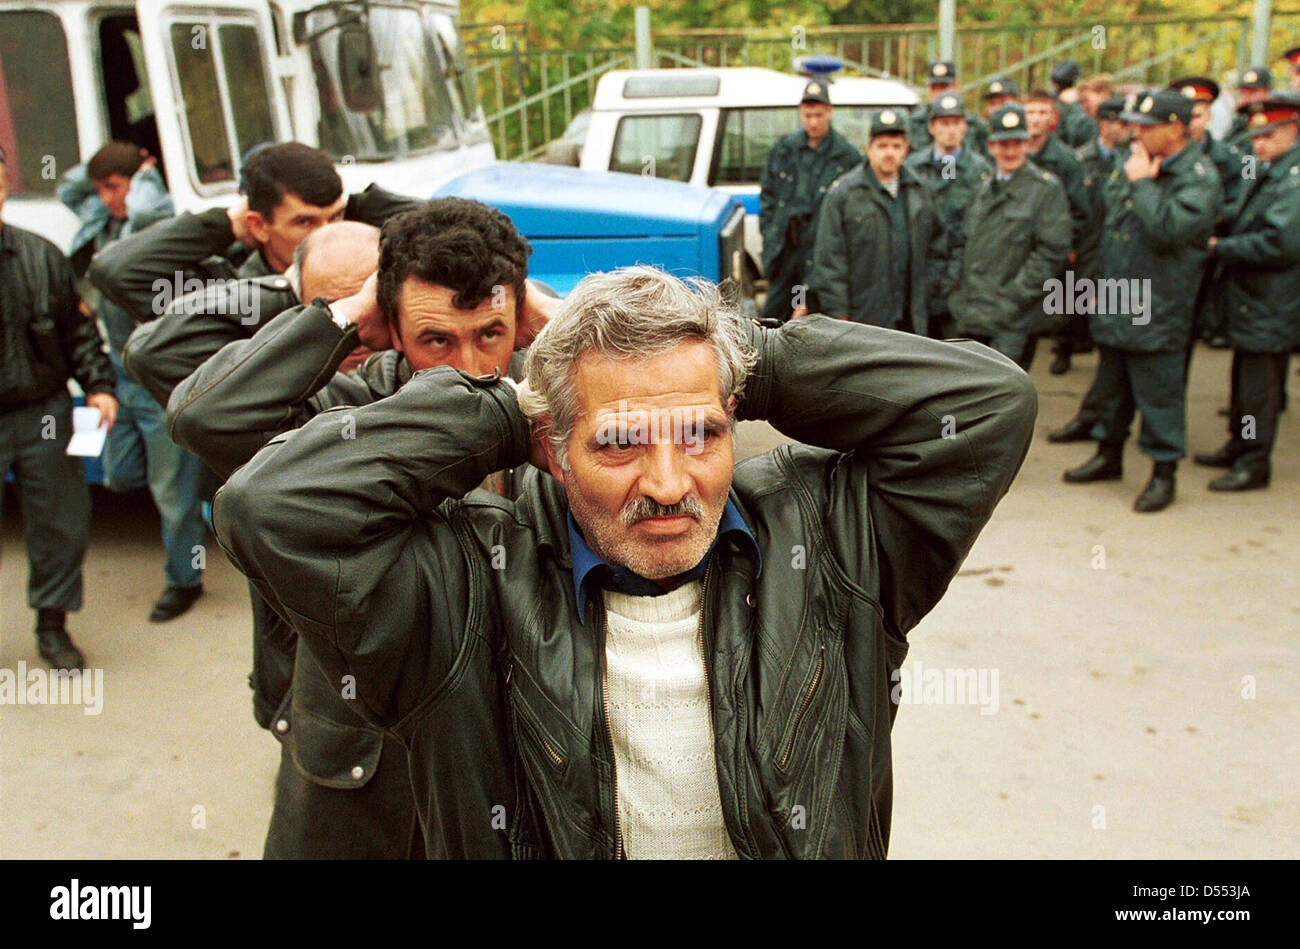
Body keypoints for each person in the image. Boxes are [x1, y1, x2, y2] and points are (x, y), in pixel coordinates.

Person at [212, 264, 1037, 859]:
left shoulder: (833, 544)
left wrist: (741, 354)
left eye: (701, 433)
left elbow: (987, 403)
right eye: (619, 441)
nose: (670, 484)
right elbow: (270, 503)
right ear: (552, 448)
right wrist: (501, 410)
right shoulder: (463, 587)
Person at [163, 200, 556, 860]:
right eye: (436, 339)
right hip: (362, 765)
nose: (469, 365)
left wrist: (562, 319)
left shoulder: (556, 412)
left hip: (508, 748)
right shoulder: (351, 410)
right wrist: (343, 315)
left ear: (520, 321)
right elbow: (206, 418)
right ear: (390, 330)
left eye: (490, 331)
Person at [59, 142, 208, 621]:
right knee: (119, 473)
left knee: (170, 493)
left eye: (114, 187)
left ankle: (185, 579)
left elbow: (145, 207)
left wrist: (144, 172)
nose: (106, 198)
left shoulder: (151, 224)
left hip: (157, 379)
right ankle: (195, 481)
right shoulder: (100, 219)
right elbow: (67, 185)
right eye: (100, 188)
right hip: (117, 375)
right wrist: (110, 166)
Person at [1062, 89, 1222, 513]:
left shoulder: (1197, 177)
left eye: (1148, 127)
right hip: (1118, 297)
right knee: (1112, 386)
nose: (1138, 133)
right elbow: (1110, 224)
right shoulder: (1133, 162)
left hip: (1159, 304)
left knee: (1159, 394)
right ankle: (1107, 455)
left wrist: (1145, 184)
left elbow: (1168, 230)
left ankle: (1163, 473)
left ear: (1175, 129)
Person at [0, 143, 118, 670]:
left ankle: (53, 627)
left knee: (60, 523)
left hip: (41, 410)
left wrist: (99, 385)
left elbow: (77, 332)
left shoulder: (41, 256)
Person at [1194, 93, 1300, 491]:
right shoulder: (1275, 168)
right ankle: (1240, 444)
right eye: (1255, 137)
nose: (1258, 144)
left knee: (1260, 389)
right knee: (1244, 382)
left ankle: (1254, 461)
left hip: (1272, 300)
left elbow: (1280, 242)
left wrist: (1221, 247)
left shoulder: (1294, 176)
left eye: (1268, 135)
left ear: (1291, 128)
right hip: (1254, 300)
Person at [950, 104, 1071, 369]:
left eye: (1017, 143)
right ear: (991, 146)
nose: (1010, 151)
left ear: (1027, 144)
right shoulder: (982, 188)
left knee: (1005, 396)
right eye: (1003, 144)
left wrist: (1013, 298)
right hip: (973, 312)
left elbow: (1052, 252)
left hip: (1013, 316)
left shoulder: (1045, 189)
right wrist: (956, 292)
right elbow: (964, 242)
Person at [808, 108, 946, 331]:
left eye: (896, 146)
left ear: (906, 150)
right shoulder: (843, 194)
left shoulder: (921, 192)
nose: (889, 153)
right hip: (864, 318)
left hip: (912, 318)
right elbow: (829, 261)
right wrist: (839, 314)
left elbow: (939, 248)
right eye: (882, 146)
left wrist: (929, 292)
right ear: (869, 149)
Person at [1050, 95, 1133, 444]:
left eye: (1127, 122)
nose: (1123, 129)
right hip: (1087, 252)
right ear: (1103, 123)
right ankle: (1065, 353)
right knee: (1077, 312)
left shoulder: (1136, 162)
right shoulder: (1081, 159)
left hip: (1122, 263)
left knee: (1116, 344)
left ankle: (1102, 421)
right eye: (1117, 121)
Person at [757, 80, 860, 322]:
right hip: (786, 250)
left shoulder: (846, 156)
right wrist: (770, 235)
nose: (813, 122)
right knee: (771, 318)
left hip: (821, 252)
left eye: (819, 115)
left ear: (830, 112)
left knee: (810, 319)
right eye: (807, 115)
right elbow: (768, 196)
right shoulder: (784, 150)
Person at [904, 92, 991, 337]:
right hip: (921, 270)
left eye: (956, 123)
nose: (950, 130)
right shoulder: (913, 167)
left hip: (962, 272)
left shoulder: (980, 170)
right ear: (932, 127)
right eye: (944, 123)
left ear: (965, 125)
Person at [1025, 89, 1096, 374]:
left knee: (1065, 298)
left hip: (1056, 241)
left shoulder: (1066, 159)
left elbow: (1080, 208)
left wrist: (1070, 243)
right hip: (1020, 241)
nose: (1036, 119)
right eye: (1031, 112)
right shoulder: (1013, 150)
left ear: (1052, 118)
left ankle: (1063, 348)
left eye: (1042, 112)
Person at [907, 60, 989, 154]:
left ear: (956, 88)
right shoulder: (914, 123)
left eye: (944, 87)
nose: (939, 93)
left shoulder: (975, 125)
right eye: (934, 88)